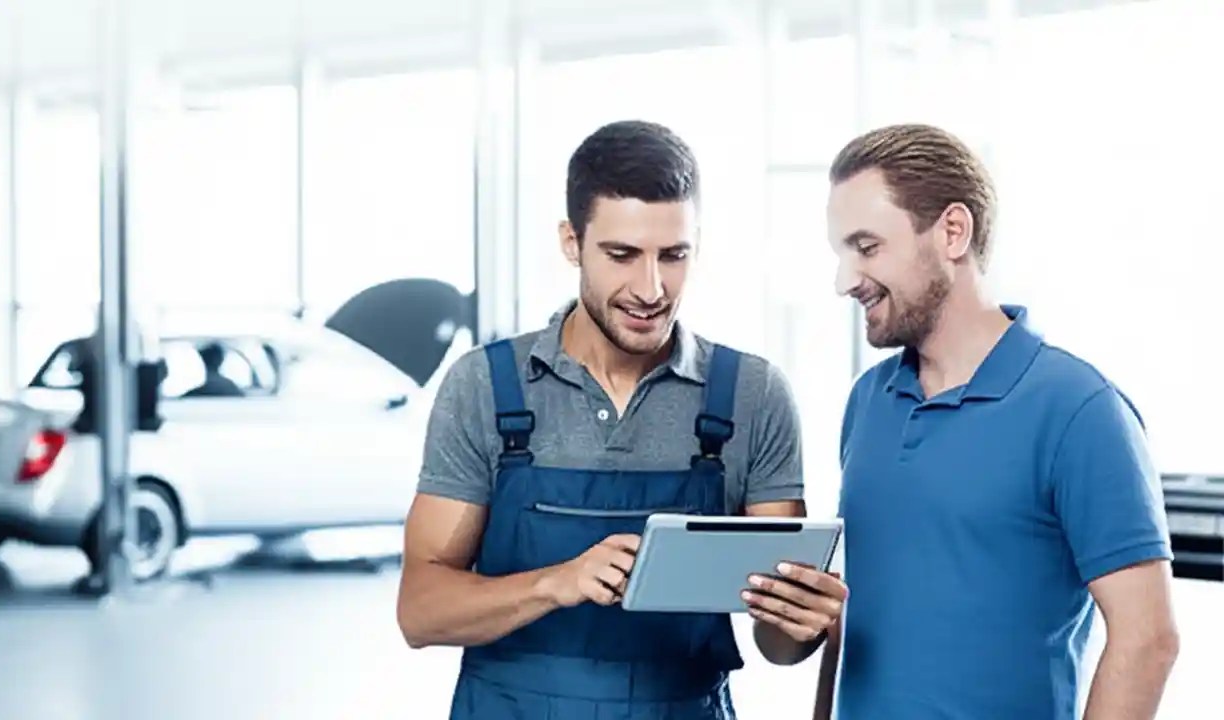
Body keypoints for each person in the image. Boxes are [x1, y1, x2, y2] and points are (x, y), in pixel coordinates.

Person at [396, 119, 848, 719]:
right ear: (570, 241)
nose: (651, 288)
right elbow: (420, 612)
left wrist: (803, 622)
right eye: (622, 255)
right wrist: (556, 583)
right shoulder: (484, 386)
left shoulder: (751, 395)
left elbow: (779, 645)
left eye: (674, 255)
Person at [818, 123, 1179, 719]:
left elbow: (1148, 641)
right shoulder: (868, 401)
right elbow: (859, 615)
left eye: (867, 247)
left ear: (952, 232)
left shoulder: (1079, 409)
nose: (845, 279)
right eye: (841, 252)